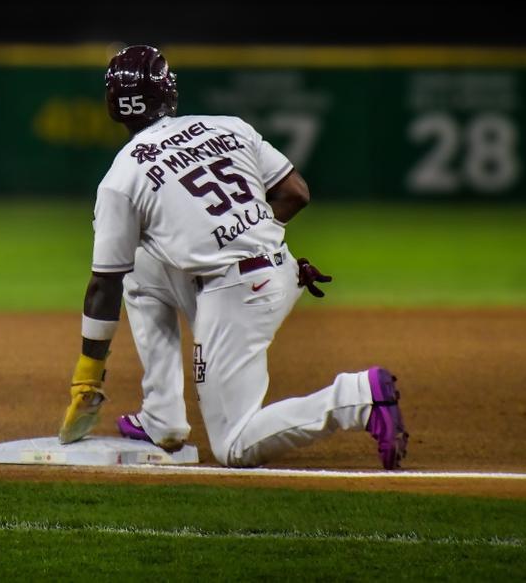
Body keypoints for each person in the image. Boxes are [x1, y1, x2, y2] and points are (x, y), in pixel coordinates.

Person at [58, 44, 407, 469]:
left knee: (234, 445)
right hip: (280, 268)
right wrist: (255, 239)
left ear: (113, 105)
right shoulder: (226, 126)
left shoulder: (121, 177)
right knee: (139, 266)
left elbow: (103, 284)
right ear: (168, 91)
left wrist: (87, 375)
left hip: (238, 294)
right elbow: (295, 193)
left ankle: (356, 397)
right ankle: (161, 417)